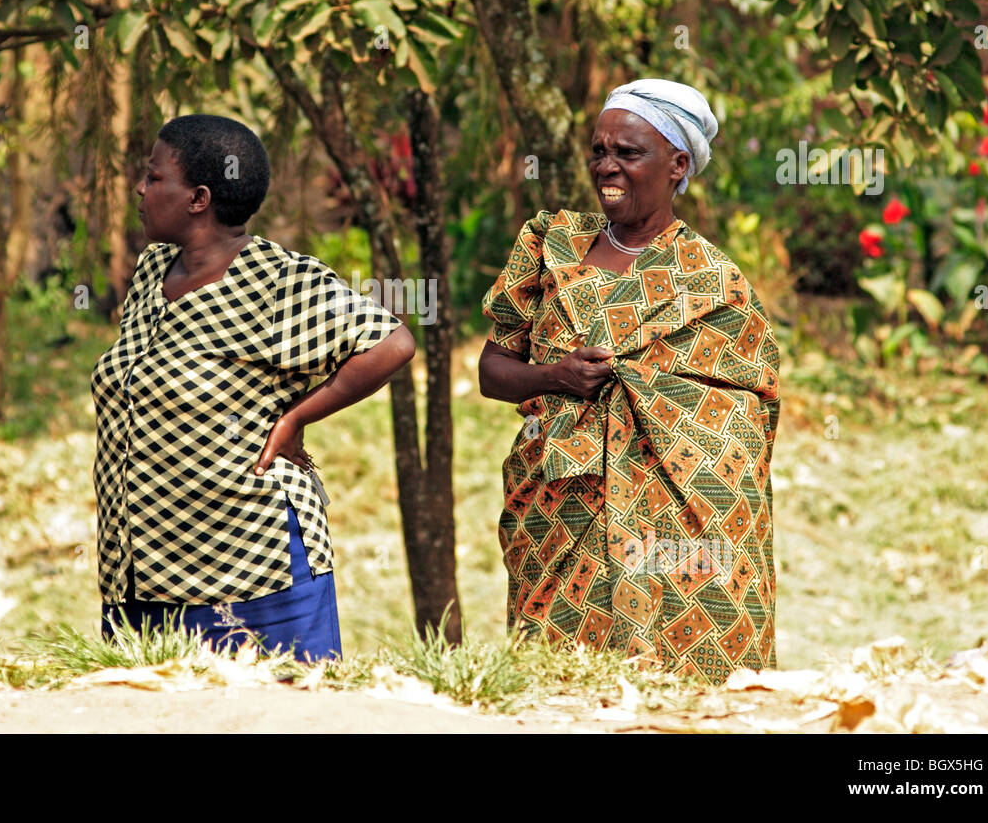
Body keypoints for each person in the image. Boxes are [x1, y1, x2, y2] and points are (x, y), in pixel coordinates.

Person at [478, 78, 781, 684]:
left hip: (677, 521)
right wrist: (556, 377)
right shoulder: (550, 244)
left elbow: (744, 416)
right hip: (558, 504)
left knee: (677, 686)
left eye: (628, 153)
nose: (606, 167)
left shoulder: (712, 282)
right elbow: (491, 371)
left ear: (677, 165)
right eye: (599, 151)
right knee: (557, 683)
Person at [91, 114, 415, 662]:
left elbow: (391, 344)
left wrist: (295, 419)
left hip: (249, 564)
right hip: (141, 565)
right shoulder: (152, 271)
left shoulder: (278, 281)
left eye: (153, 177)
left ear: (198, 198)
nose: (140, 190)